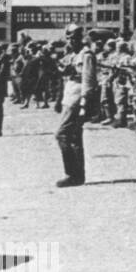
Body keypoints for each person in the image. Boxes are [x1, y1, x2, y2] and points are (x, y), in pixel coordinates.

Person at [55, 24, 97, 187]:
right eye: (68, 38)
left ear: (80, 37)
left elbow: (88, 79)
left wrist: (85, 102)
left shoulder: (86, 55)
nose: (70, 41)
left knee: (61, 134)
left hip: (78, 97)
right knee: (74, 137)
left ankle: (72, 173)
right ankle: (78, 176)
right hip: (69, 95)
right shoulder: (73, 54)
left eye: (73, 38)